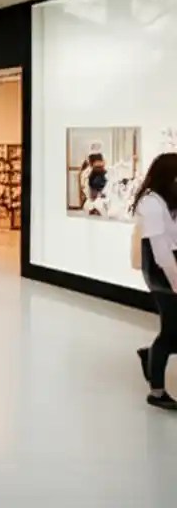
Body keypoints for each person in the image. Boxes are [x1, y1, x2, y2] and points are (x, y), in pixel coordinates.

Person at [131, 153, 177, 410]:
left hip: (170, 265)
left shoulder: (168, 200)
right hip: (162, 271)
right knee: (170, 331)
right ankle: (157, 392)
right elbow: (160, 251)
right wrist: (175, 281)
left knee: (173, 331)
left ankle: (150, 356)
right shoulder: (151, 203)